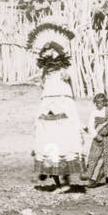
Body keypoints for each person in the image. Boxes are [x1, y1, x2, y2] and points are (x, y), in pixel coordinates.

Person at [31, 34, 85, 188]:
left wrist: (52, 44)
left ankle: (66, 181)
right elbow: (43, 84)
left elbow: (65, 66)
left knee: (67, 137)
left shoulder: (64, 69)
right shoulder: (46, 72)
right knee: (47, 137)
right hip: (48, 103)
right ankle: (57, 182)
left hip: (62, 102)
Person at [85, 93, 108, 186]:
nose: (98, 105)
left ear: (105, 102)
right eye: (96, 103)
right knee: (94, 158)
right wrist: (96, 135)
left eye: (100, 103)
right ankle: (93, 179)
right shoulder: (94, 112)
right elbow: (90, 125)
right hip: (98, 138)